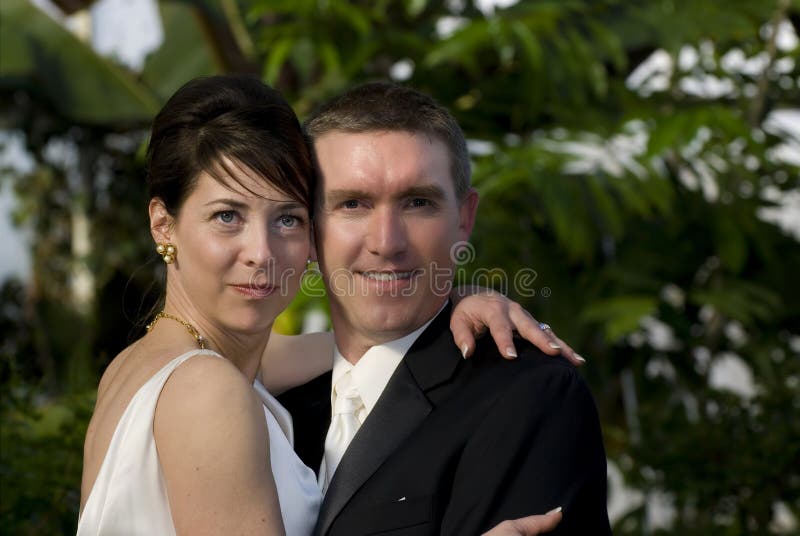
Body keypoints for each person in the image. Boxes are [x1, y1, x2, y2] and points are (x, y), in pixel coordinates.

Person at [77, 75, 582, 535]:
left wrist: (454, 303)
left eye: (288, 219)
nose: (261, 252)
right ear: (164, 225)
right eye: (227, 216)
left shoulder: (155, 366)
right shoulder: (209, 391)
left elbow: (359, 353)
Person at [278, 82, 612, 535]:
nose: (386, 242)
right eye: (352, 204)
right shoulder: (268, 409)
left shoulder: (529, 396)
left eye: (418, 203)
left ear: (464, 219)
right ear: (307, 227)